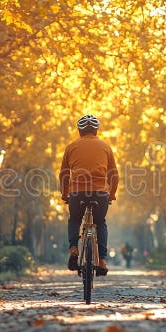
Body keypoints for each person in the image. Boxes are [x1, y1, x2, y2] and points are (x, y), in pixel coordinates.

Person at [59, 114, 119, 276]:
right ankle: (102, 260)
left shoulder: (71, 147)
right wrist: (111, 195)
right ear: (96, 130)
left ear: (79, 130)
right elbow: (114, 175)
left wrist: (65, 195)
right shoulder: (106, 147)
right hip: (100, 193)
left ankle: (73, 248)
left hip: (77, 192)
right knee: (100, 223)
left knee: (75, 219)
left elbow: (64, 175)